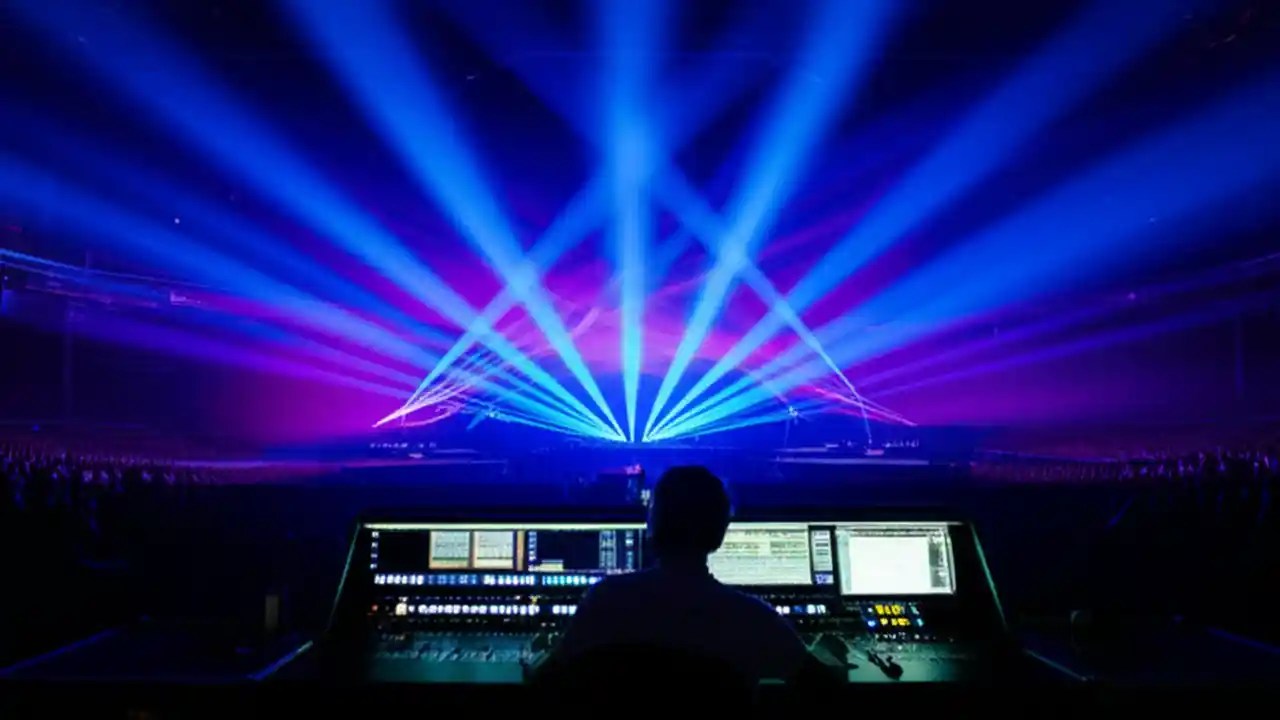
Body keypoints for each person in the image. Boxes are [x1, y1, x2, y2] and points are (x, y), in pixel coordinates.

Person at [551, 465, 829, 682]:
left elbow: (548, 680)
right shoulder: (753, 618)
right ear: (719, 533)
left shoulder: (604, 600)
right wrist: (832, 649)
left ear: (653, 526)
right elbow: (821, 688)